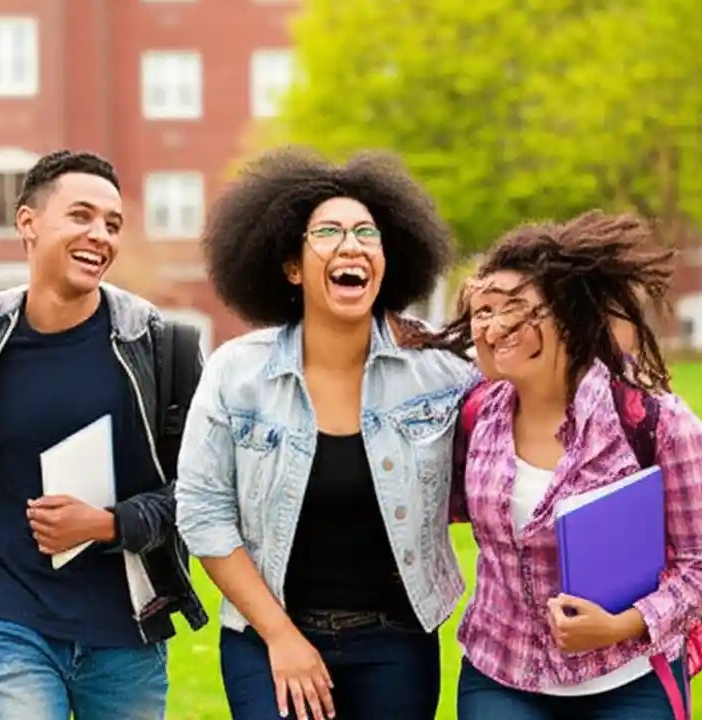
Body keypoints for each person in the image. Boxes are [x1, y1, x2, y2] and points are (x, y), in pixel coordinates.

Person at [0, 149, 208, 720]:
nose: (100, 235)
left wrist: (109, 524)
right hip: (13, 624)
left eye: (112, 224)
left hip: (127, 634)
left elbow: (203, 492)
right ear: (27, 222)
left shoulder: (162, 349)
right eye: (81, 216)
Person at [173, 147, 477, 720]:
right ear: (293, 267)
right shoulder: (237, 372)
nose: (351, 245)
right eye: (329, 232)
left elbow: (527, 402)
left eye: (367, 233)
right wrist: (281, 637)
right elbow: (202, 512)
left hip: (397, 642)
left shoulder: (440, 370)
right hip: (268, 636)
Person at [445, 211, 702, 719]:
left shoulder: (657, 423)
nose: (493, 327)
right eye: (483, 311)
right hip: (501, 675)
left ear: (567, 314)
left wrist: (622, 624)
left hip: (629, 677)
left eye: (514, 308)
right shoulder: (472, 417)